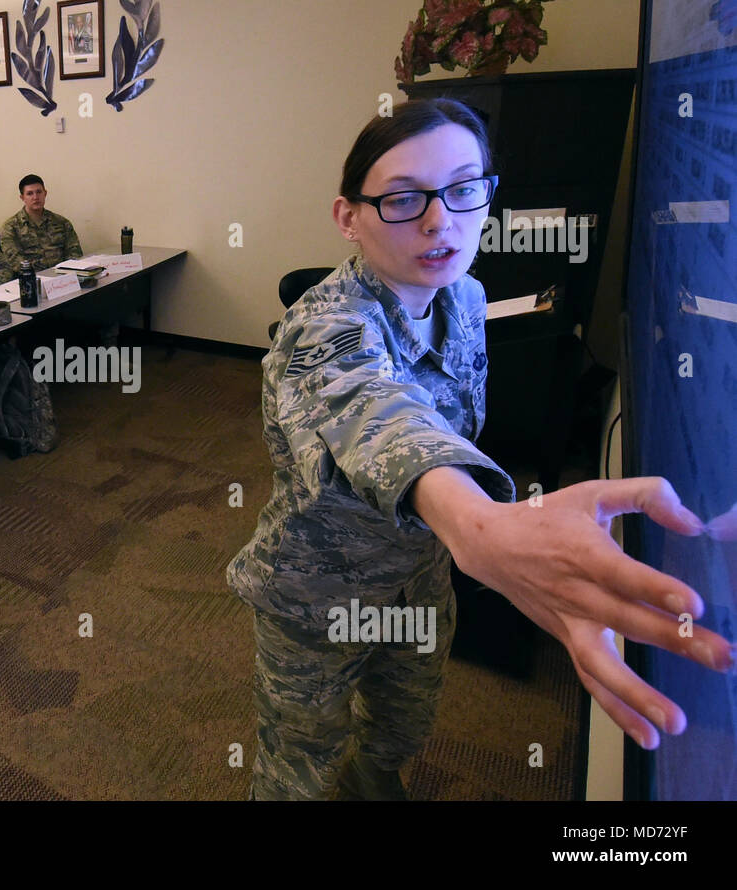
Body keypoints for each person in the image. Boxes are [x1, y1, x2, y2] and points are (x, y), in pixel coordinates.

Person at [227, 98, 735, 801]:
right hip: (319, 593)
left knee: (403, 722)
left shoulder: (464, 295)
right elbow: (371, 409)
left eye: (464, 190)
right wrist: (480, 525)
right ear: (349, 217)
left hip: (421, 576)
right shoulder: (323, 329)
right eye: (404, 199)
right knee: (298, 765)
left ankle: (373, 781)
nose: (441, 222)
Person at [0, 174, 84, 271]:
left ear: (45, 193)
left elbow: (75, 253)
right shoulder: (10, 228)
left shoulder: (62, 223)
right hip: (30, 279)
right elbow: (16, 263)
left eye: (39, 192)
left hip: (63, 277)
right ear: (22, 197)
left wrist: (66, 273)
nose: (35, 197)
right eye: (30, 193)